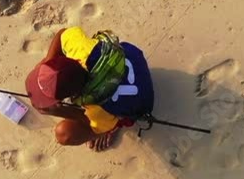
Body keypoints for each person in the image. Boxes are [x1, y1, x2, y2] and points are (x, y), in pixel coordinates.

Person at [26, 27, 154, 151]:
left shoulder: (99, 108)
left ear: (74, 95)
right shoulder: (80, 50)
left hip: (138, 100)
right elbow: (62, 34)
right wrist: (49, 61)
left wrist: (61, 111)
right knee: (44, 65)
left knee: (64, 133)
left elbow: (93, 124)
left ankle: (115, 125)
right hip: (129, 57)